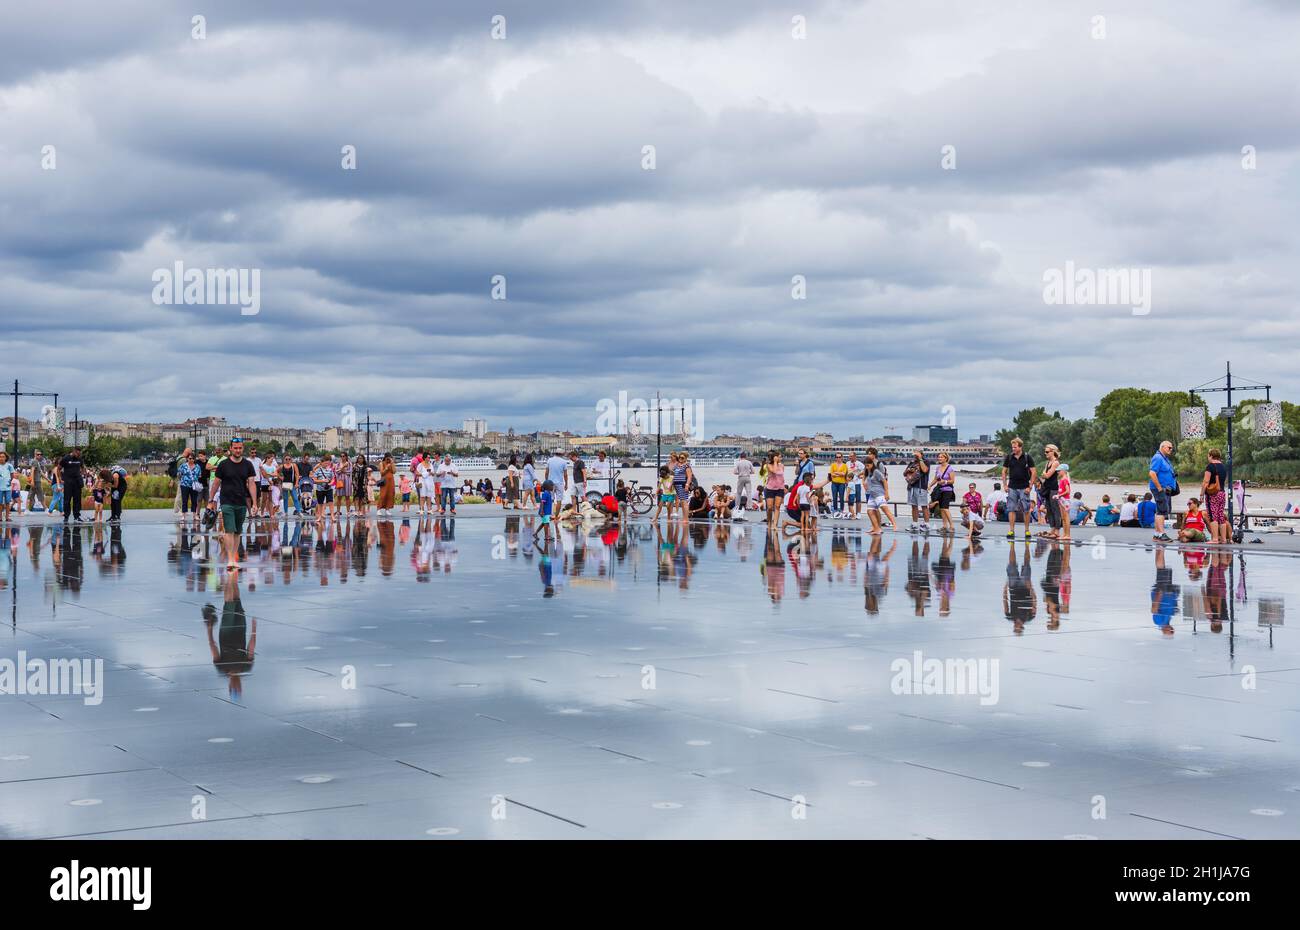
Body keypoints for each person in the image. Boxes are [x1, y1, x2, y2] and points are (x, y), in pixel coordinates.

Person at [206, 438, 259, 571]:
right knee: (229, 530)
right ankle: (230, 559)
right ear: (230, 449)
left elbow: (251, 483)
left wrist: (255, 503)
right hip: (226, 501)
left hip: (241, 501)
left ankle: (233, 556)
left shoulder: (247, 465)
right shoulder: (223, 465)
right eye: (235, 448)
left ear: (242, 449)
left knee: (237, 532)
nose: (237, 450)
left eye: (240, 448)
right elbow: (216, 483)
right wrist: (210, 500)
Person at [1000, 438, 1036, 540]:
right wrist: (1005, 485)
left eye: (1015, 447)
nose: (1013, 449)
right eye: (1012, 447)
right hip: (1012, 487)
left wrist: (1030, 486)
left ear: (1020, 447)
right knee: (1011, 509)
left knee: (1026, 509)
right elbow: (1004, 471)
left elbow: (1034, 472)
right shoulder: (1009, 457)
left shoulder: (1027, 457)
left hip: (1024, 487)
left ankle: (1027, 530)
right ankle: (1011, 530)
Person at [1148, 439, 1177, 542]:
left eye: (1172, 448)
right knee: (1162, 511)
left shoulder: (1165, 459)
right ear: (1162, 447)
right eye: (1169, 447)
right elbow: (1152, 473)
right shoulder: (1158, 458)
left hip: (1166, 489)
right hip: (1160, 489)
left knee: (1160, 510)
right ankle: (1161, 534)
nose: (1171, 449)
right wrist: (1159, 488)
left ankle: (1156, 534)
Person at [1201, 448, 1228, 545]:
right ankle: (1224, 539)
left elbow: (1206, 481)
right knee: (1221, 516)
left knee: (1213, 516)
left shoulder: (1210, 466)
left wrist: (1201, 494)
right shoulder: (1223, 466)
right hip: (1222, 493)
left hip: (1212, 494)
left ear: (1211, 455)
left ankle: (1215, 539)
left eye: (1208, 455)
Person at [928, 451, 956, 535]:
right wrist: (930, 485)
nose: (939, 458)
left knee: (945, 508)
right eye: (939, 457)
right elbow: (936, 479)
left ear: (946, 458)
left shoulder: (950, 468)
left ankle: (952, 526)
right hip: (940, 490)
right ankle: (944, 526)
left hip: (947, 490)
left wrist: (945, 481)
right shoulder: (938, 468)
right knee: (941, 509)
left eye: (941, 457)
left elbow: (952, 481)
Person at [904, 449, 930, 534]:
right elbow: (904, 473)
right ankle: (915, 524)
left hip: (921, 487)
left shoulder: (925, 461)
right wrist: (909, 470)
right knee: (914, 506)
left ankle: (926, 525)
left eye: (917, 454)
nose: (915, 456)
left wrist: (920, 459)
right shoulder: (912, 462)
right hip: (911, 486)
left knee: (924, 506)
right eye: (914, 454)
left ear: (921, 454)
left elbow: (925, 470)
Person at [178, 451, 204, 521]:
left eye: (192, 458)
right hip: (184, 485)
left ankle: (194, 515)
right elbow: (179, 474)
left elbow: (199, 475)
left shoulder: (197, 467)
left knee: (194, 500)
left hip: (194, 486)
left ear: (194, 459)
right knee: (184, 500)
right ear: (187, 459)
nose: (191, 460)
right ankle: (183, 515)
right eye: (189, 458)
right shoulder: (183, 466)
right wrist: (183, 480)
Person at [764, 452, 786, 524]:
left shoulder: (782, 465)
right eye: (779, 457)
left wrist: (784, 486)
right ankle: (769, 521)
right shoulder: (769, 465)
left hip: (780, 488)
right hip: (770, 488)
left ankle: (775, 524)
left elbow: (781, 476)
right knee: (770, 507)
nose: (781, 458)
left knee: (777, 506)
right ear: (775, 458)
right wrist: (775, 462)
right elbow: (775, 471)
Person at [733, 454, 754, 520]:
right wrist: (747, 473)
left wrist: (740, 473)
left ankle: (737, 506)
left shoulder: (738, 463)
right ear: (745, 457)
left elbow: (734, 472)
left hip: (741, 478)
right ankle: (749, 507)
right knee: (749, 493)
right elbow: (753, 472)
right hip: (748, 477)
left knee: (738, 493)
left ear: (740, 457)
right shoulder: (749, 462)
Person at [28, 450, 47, 514]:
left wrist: (48, 479)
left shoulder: (37, 462)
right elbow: (32, 471)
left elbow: (41, 473)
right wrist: (32, 481)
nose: (39, 455)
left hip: (36, 481)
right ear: (35, 455)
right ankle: (46, 509)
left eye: (40, 454)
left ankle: (27, 510)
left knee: (31, 496)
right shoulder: (35, 461)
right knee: (40, 495)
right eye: (38, 454)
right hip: (36, 481)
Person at [0, 452, 13, 522]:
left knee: (7, 502)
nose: (1, 458)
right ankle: (0, 518)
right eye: (0, 457)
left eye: (3, 457)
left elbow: (12, 475)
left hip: (7, 488)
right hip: (0, 488)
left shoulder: (9, 466)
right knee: (0, 503)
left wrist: (9, 482)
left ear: (6, 458)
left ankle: (7, 517)